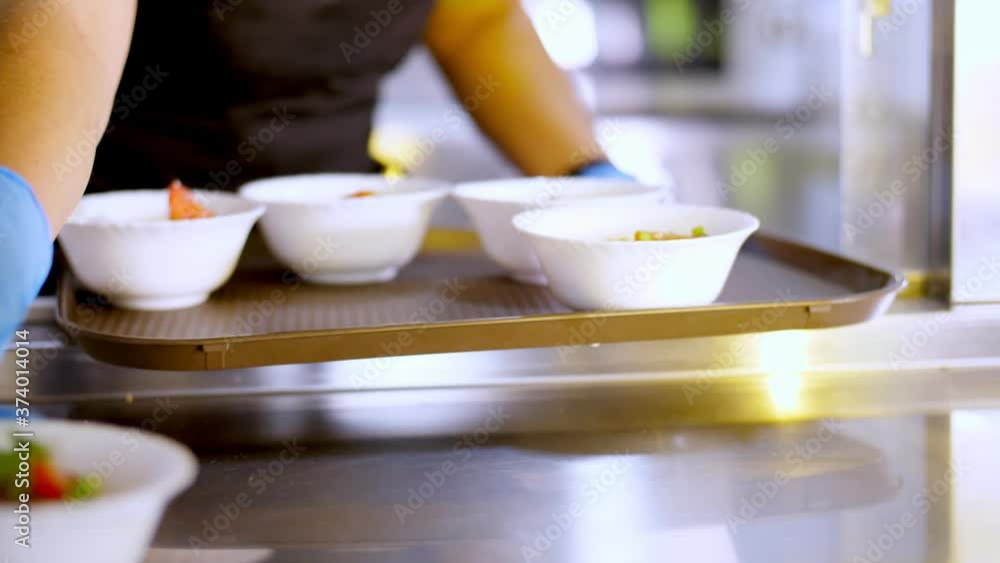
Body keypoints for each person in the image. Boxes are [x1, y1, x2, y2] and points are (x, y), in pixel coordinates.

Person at [1, 0, 627, 339]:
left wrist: (588, 175)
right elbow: (71, 23)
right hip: (115, 276)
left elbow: (477, 19)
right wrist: (14, 213)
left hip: (342, 279)